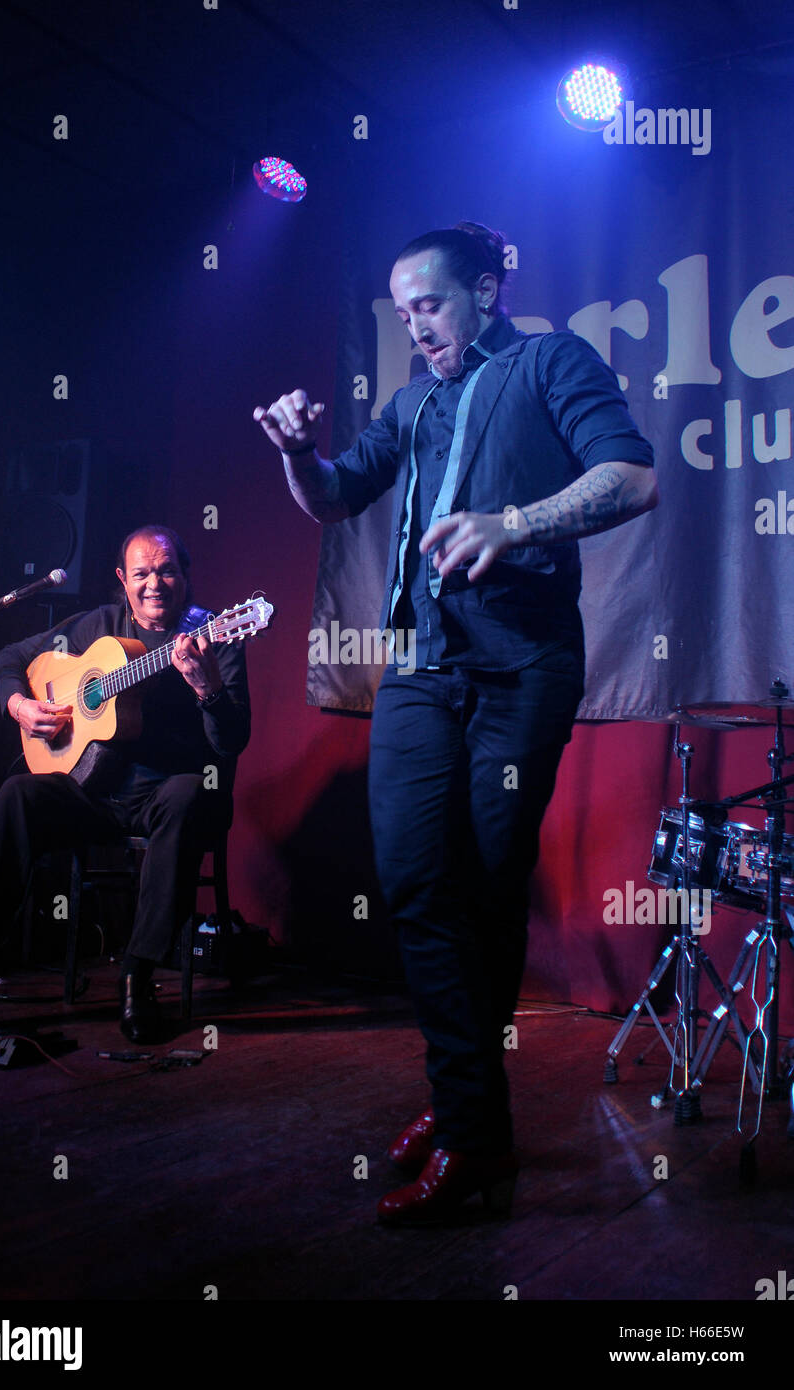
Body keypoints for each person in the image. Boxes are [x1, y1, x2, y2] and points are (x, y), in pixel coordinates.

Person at [254, 221, 657, 1225]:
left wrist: (512, 522)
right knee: (416, 882)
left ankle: (467, 1122)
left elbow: (632, 477)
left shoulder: (548, 361)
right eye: (400, 314)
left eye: (428, 304)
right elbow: (332, 498)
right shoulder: (409, 401)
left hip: (521, 670)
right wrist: (299, 454)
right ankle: (469, 1117)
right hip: (423, 672)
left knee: (481, 886)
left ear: (483, 290)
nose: (415, 327)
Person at [0, 525, 250, 1042]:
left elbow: (233, 741)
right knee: (18, 795)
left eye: (167, 571)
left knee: (189, 792)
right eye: (141, 573)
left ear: (185, 576)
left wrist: (208, 689)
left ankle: (137, 976)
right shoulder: (98, 627)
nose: (155, 584)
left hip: (168, 795)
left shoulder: (214, 633)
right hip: (95, 791)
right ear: (123, 580)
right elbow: (9, 658)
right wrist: (19, 704)